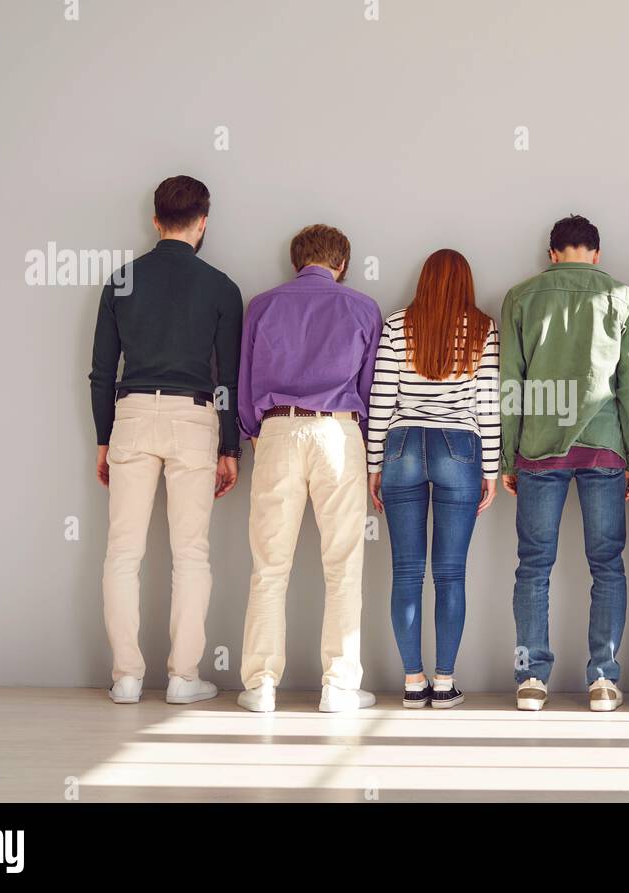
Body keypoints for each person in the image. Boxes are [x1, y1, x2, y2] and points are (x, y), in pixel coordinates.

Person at [89, 174, 243, 705]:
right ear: (203, 222)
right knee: (191, 555)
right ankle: (182, 678)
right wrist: (229, 447)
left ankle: (127, 678)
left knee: (122, 553)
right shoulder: (222, 287)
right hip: (194, 417)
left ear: (155, 220)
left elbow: (101, 371)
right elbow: (228, 378)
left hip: (130, 413)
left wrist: (104, 438)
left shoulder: (122, 281)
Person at [500, 214, 629, 712]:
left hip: (539, 449)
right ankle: (603, 680)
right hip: (605, 445)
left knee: (533, 566)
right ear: (597, 254)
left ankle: (531, 680)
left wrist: (508, 457)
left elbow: (510, 384)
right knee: (607, 565)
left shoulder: (521, 297)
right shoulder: (623, 298)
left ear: (552, 252)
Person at [236, 224, 383, 714]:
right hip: (338, 433)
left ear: (297, 260)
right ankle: (339, 687)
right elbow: (368, 389)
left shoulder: (262, 304)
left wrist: (258, 432)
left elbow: (245, 381)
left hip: (276, 429)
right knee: (343, 565)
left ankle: (259, 685)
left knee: (269, 566)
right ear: (341, 263)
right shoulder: (363, 308)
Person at [366, 249, 500, 709]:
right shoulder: (483, 328)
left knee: (405, 571)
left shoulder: (397, 324)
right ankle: (444, 683)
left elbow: (381, 394)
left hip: (401, 443)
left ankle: (411, 681)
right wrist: (491, 469)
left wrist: (373, 465)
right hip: (458, 447)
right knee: (450, 573)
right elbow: (487, 403)